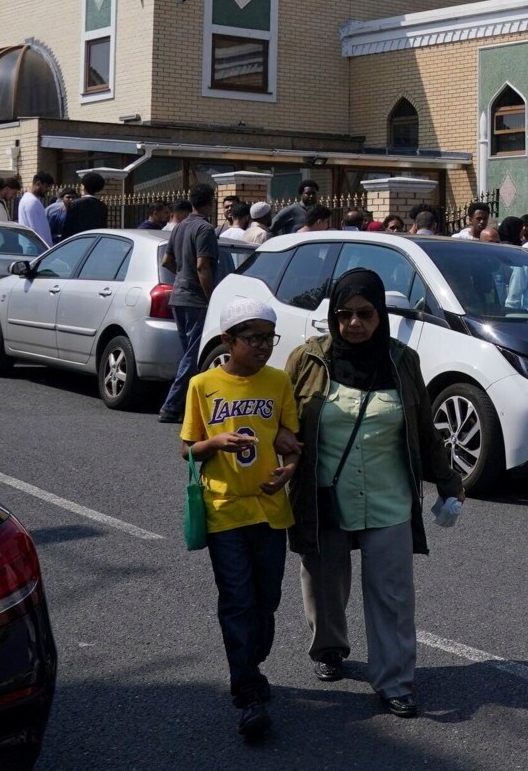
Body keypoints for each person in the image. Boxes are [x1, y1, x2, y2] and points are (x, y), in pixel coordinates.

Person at [287, 269, 465, 718]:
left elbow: (424, 430)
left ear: (380, 315)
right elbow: (283, 423)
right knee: (325, 583)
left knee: (392, 594)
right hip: (326, 493)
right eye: (344, 315)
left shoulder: (402, 361)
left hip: (388, 498)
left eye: (364, 314)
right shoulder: (308, 360)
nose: (353, 324)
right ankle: (329, 648)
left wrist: (448, 483)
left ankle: (395, 681)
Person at [179, 296, 301, 741]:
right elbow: (188, 449)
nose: (264, 348)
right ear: (228, 341)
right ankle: (247, 692)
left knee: (266, 598)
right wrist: (215, 443)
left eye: (270, 339)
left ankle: (252, 659)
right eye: (254, 340)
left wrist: (288, 470)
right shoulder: (202, 385)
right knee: (236, 599)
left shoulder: (278, 382)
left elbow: (291, 443)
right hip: (224, 509)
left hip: (270, 510)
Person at [157, 186, 221, 423]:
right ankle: (170, 406)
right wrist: (210, 296)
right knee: (191, 356)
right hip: (196, 300)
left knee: (188, 354)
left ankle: (187, 406)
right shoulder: (205, 229)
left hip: (179, 297)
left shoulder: (180, 226)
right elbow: (203, 266)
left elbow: (167, 261)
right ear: (210, 203)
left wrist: (182, 275)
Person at [64, 172, 109, 237]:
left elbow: (68, 227)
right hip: (95, 240)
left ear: (83, 187)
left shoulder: (75, 204)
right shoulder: (102, 206)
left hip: (77, 241)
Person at [18, 174, 56, 246]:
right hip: (35, 247)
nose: (48, 190)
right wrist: (46, 248)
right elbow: (36, 229)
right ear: (38, 184)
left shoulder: (31, 199)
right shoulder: (31, 201)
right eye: (46, 186)